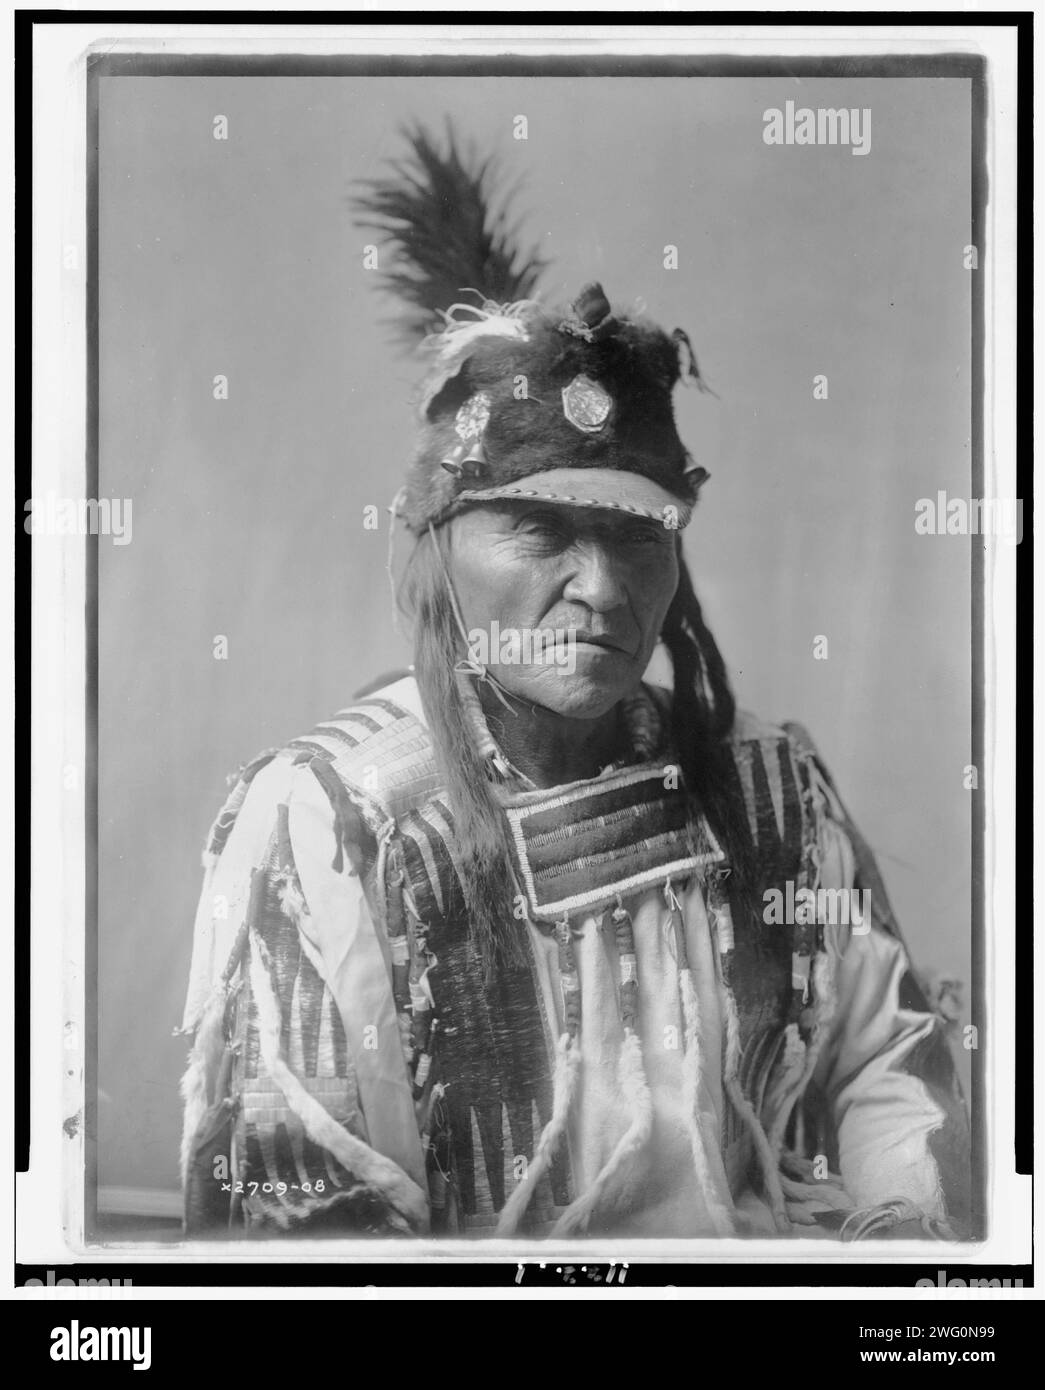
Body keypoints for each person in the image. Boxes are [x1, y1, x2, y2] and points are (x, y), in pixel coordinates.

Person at [178, 130, 970, 1241]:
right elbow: (304, 1211)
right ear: (440, 549)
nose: (599, 588)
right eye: (540, 529)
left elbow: (885, 1059)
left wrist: (900, 1241)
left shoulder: (768, 788)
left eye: (635, 536)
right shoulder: (333, 823)